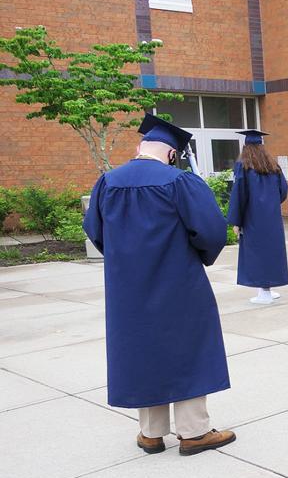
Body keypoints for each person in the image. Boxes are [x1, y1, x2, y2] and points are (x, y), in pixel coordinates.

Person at [83, 114, 236, 456]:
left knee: (143, 348)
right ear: (171, 153)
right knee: (188, 347)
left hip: (128, 288)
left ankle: (151, 433)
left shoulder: (108, 182)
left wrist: (126, 260)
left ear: (140, 147)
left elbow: (94, 229)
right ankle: (194, 432)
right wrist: (198, 255)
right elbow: (211, 231)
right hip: (178, 281)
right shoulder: (179, 182)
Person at [227, 129, 288, 305]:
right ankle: (267, 288)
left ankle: (264, 294)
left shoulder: (243, 166)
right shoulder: (272, 165)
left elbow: (239, 194)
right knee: (271, 252)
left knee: (257, 253)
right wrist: (271, 204)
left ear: (245, 146)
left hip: (252, 217)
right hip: (272, 217)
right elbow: (283, 191)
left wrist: (236, 220)